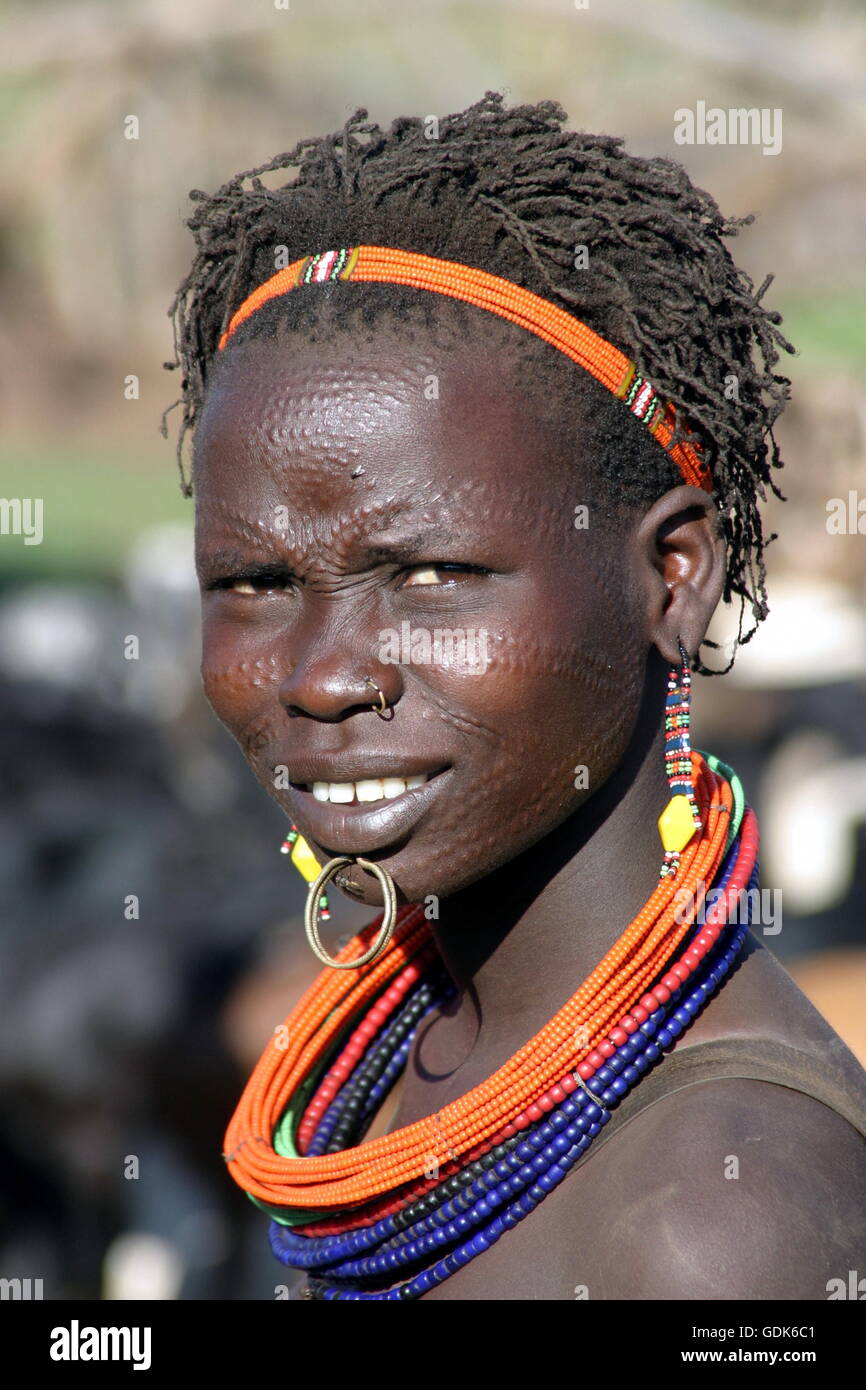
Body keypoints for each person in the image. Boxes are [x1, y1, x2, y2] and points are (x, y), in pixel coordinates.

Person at [164, 92, 866, 1300]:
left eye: (432, 575)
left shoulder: (717, 1219)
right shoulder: (403, 1049)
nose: (325, 674)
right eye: (256, 580)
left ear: (673, 576)